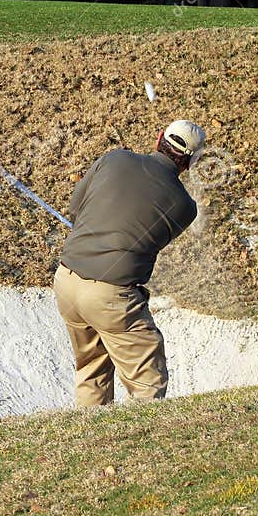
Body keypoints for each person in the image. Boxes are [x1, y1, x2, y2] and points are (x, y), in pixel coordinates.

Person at [53, 120, 206, 406]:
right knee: (148, 380)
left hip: (66, 280)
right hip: (111, 296)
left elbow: (75, 209)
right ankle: (140, 442)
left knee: (91, 368)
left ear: (159, 137)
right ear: (192, 163)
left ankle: (90, 440)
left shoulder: (114, 158)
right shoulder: (186, 208)